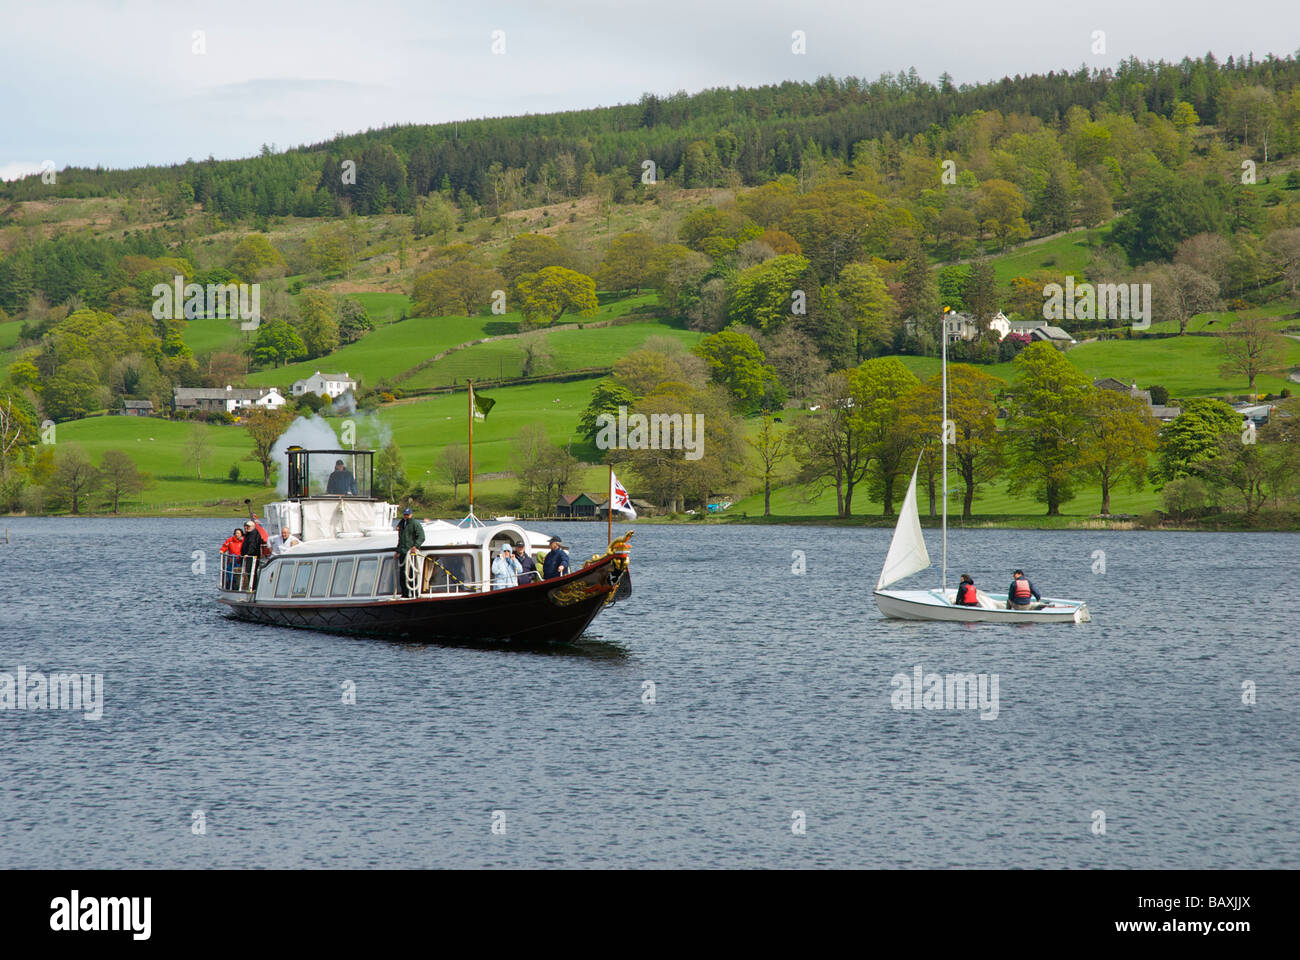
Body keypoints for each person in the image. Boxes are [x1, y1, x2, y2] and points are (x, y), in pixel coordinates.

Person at [395, 506, 424, 598]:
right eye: (405, 515)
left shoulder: (415, 524)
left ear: (411, 515)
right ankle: (405, 594)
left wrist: (415, 546)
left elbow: (421, 536)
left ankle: (415, 593)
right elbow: (401, 539)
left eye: (407, 515)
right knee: (402, 574)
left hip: (411, 554)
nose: (406, 516)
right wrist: (398, 551)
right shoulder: (401, 524)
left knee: (411, 573)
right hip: (403, 553)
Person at [239, 519, 269, 590]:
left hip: (252, 556)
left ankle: (253, 587)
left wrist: (248, 554)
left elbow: (253, 545)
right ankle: (252, 586)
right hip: (249, 556)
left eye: (248, 526)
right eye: (246, 526)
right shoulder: (249, 534)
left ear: (253, 526)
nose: (247, 528)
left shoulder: (254, 534)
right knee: (250, 572)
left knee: (252, 572)